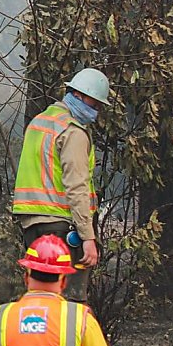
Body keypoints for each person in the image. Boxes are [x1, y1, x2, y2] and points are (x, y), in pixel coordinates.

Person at [11, 67, 110, 269]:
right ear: (77, 94)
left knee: (42, 290)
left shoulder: (39, 122)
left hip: (31, 224)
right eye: (94, 102)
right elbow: (76, 186)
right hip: (62, 226)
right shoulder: (73, 131)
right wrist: (88, 237)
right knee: (69, 297)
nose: (96, 109)